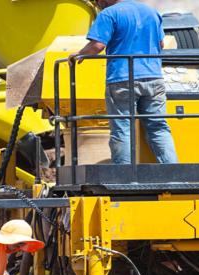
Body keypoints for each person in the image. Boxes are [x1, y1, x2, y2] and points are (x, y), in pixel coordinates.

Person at [70, 0, 179, 165]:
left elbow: (97, 45)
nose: (97, 3)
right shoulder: (151, 12)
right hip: (154, 77)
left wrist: (78, 55)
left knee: (122, 129)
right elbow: (161, 44)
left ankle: (123, 175)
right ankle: (173, 171)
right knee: (158, 127)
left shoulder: (109, 14)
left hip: (122, 78)